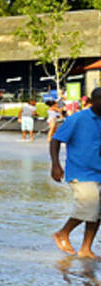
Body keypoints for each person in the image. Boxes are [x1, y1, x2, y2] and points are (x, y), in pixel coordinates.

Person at [50, 87, 101, 258]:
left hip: (98, 171)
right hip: (81, 172)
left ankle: (86, 248)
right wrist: (56, 165)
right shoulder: (78, 119)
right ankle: (63, 233)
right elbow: (56, 140)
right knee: (89, 204)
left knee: (97, 212)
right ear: (93, 101)